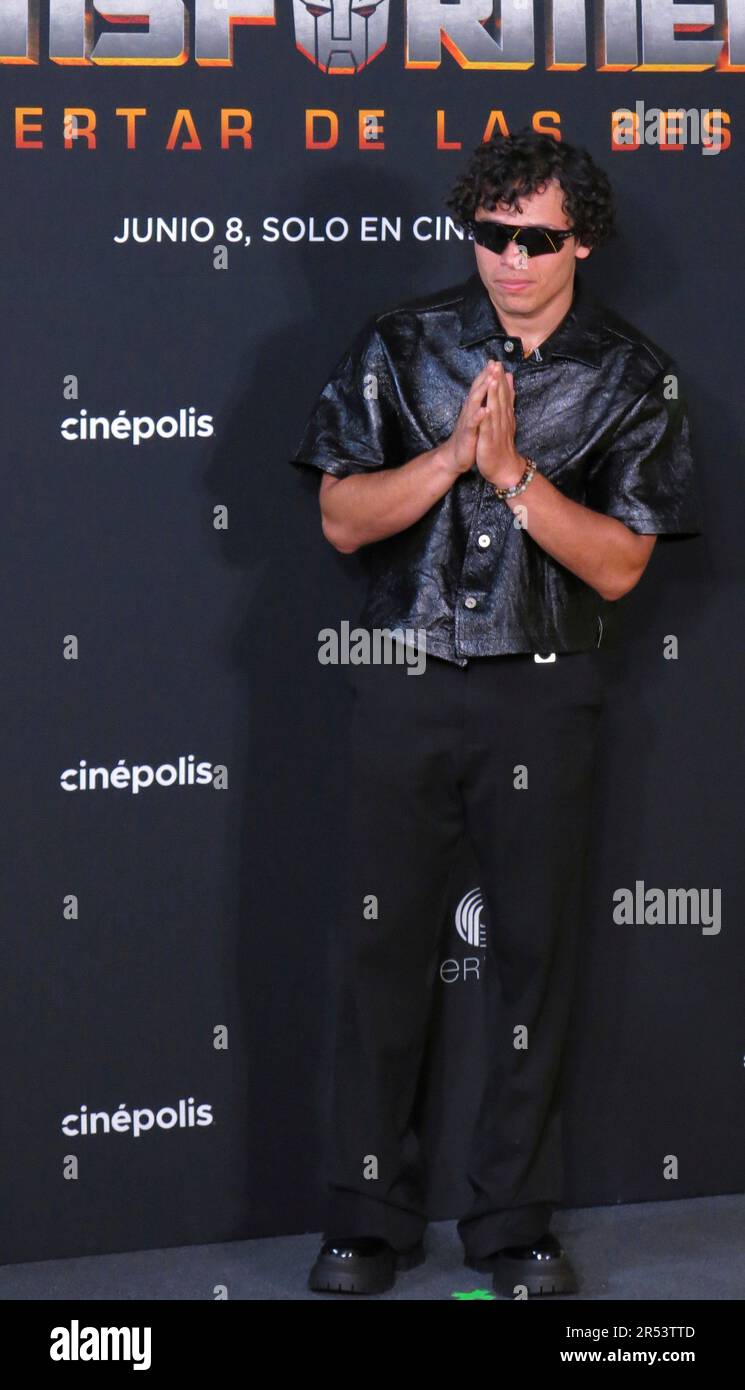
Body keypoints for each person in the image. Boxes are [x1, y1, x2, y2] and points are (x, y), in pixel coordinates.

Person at [288, 129, 704, 1298]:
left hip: (544, 687)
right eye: (491, 235)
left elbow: (621, 568)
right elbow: (340, 521)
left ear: (582, 241)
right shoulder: (400, 346)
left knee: (534, 955)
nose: (509, 260)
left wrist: (516, 475)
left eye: (534, 239)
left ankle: (511, 1220)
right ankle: (367, 1217)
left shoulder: (631, 376)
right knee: (381, 951)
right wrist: (451, 461)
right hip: (405, 677)